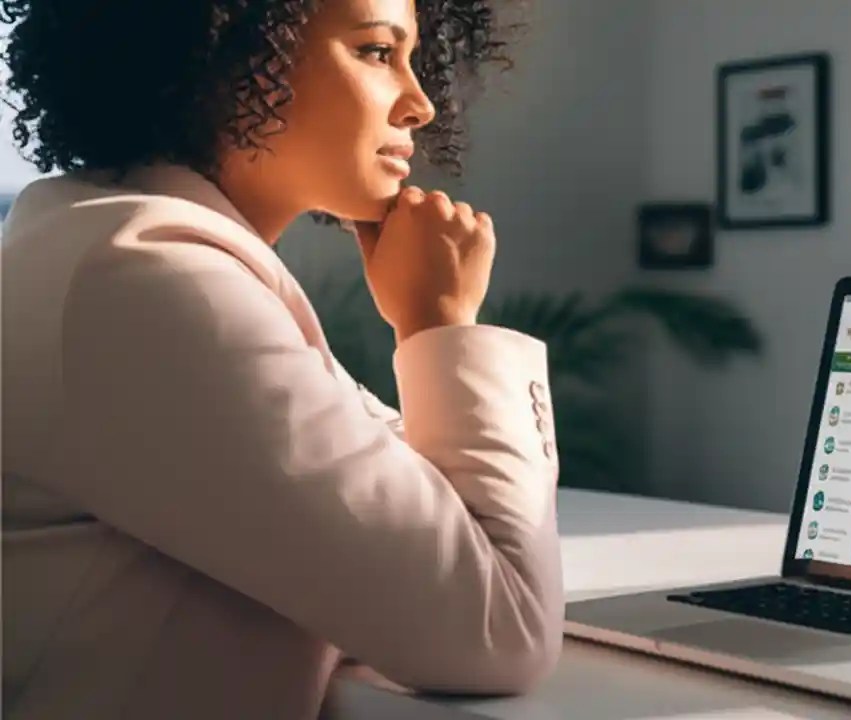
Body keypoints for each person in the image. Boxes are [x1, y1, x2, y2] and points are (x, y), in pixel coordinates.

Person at [0, 1, 563, 718]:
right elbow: (498, 629)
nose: (419, 104)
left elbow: (420, 524)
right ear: (225, 53)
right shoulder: (146, 282)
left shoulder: (108, 249)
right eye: (375, 52)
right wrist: (437, 323)